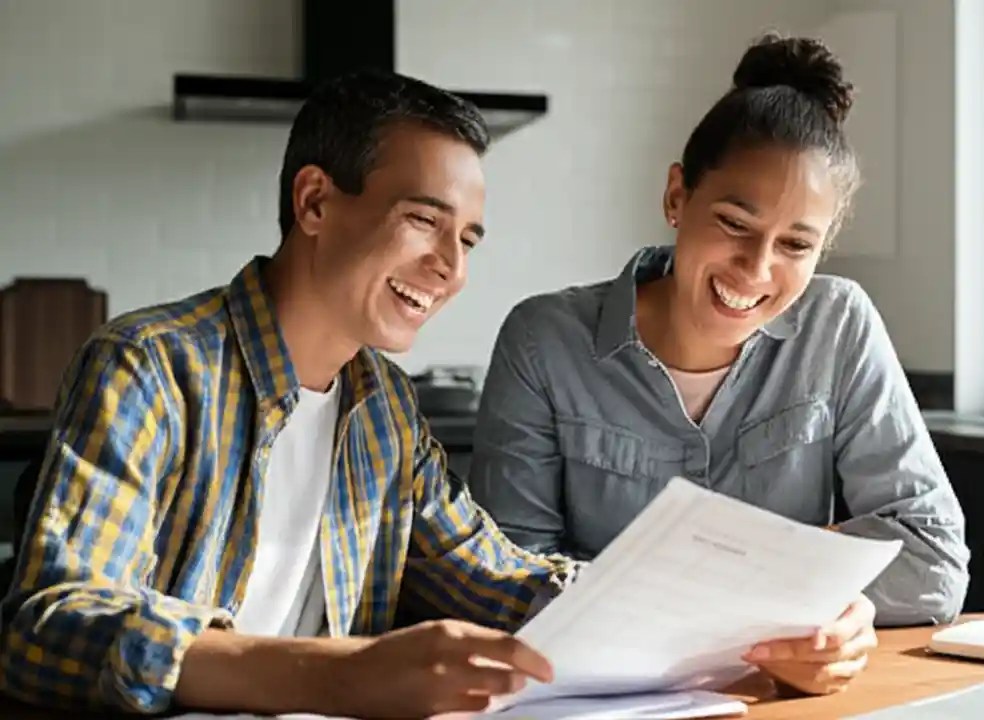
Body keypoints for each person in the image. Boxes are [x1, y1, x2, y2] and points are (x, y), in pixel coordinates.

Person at [0, 70, 579, 718]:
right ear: (314, 202)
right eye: (423, 220)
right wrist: (338, 675)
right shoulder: (150, 367)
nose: (452, 267)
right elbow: (48, 626)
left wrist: (652, 604)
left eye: (467, 239)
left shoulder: (386, 407)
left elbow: (493, 578)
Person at [469, 33, 970, 695]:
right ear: (677, 197)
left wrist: (843, 615)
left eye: (796, 245)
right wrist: (790, 591)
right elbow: (502, 582)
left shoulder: (839, 326)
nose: (756, 269)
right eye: (735, 224)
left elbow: (933, 561)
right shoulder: (545, 342)